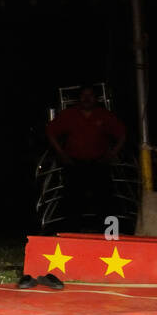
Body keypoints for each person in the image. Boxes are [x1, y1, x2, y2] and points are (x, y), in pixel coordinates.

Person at [45, 85, 127, 228]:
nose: (87, 98)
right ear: (79, 98)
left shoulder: (104, 115)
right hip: (74, 164)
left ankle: (108, 233)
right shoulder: (69, 114)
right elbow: (50, 131)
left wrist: (113, 153)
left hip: (99, 163)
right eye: (83, 95)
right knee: (72, 202)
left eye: (90, 95)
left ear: (96, 98)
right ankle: (72, 233)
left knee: (105, 201)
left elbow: (122, 133)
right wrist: (61, 153)